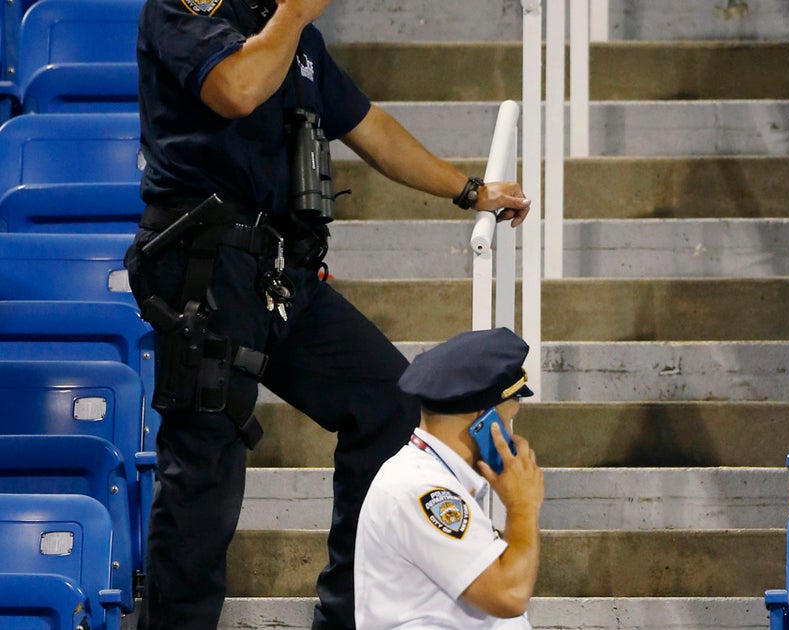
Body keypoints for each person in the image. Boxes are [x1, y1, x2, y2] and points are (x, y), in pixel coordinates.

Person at [124, 0, 531, 628]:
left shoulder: (303, 40)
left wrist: (469, 189)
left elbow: (372, 130)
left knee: (388, 403)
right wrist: (290, 15)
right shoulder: (189, 8)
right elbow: (235, 88)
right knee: (204, 470)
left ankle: (346, 617)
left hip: (282, 273)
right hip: (206, 268)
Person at [354, 327, 544, 629]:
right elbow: (509, 594)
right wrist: (523, 506)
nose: (511, 435)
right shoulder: (422, 489)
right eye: (507, 419)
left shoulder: (436, 477)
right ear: (484, 420)